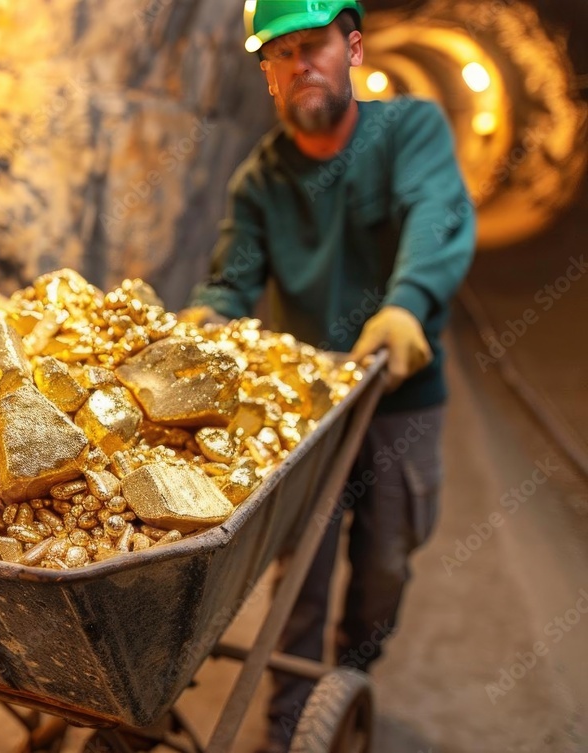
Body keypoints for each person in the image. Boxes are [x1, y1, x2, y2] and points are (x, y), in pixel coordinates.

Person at [184, 1, 475, 750]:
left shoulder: (407, 132)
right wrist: (205, 324)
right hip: (310, 406)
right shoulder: (261, 180)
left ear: (352, 47)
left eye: (313, 46)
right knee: (301, 565)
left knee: (383, 559)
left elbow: (435, 213)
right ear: (268, 76)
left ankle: (354, 669)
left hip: (399, 388)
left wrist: (407, 307)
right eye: (279, 55)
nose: (300, 64)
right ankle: (291, 717)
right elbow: (232, 276)